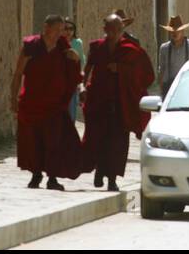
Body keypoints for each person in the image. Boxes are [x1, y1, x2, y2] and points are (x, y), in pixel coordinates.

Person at [81, 12, 155, 191]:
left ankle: (112, 179)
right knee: (98, 139)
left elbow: (146, 75)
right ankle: (100, 170)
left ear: (122, 30)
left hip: (121, 104)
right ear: (105, 30)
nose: (113, 33)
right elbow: (87, 69)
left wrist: (121, 69)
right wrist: (82, 86)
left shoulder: (131, 49)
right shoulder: (97, 47)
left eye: (116, 29)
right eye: (109, 29)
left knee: (118, 143)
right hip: (99, 101)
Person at [11, 15, 83, 190]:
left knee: (54, 141)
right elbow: (18, 73)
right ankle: (36, 175)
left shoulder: (63, 47)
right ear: (46, 27)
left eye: (63, 30)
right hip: (32, 102)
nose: (61, 34)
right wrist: (13, 99)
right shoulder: (31, 46)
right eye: (58, 29)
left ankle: (52, 177)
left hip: (54, 104)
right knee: (33, 140)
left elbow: (73, 73)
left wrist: (75, 59)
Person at [157, 14, 189, 97]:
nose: (175, 33)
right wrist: (162, 90)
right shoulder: (164, 48)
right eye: (172, 31)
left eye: (178, 31)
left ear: (183, 31)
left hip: (188, 87)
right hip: (169, 89)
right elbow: (161, 70)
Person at [64, 18, 85, 127]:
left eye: (71, 29)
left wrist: (79, 80)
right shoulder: (57, 42)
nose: (68, 31)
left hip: (71, 81)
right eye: (65, 28)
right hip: (58, 81)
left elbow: (81, 61)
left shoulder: (77, 43)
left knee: (71, 109)